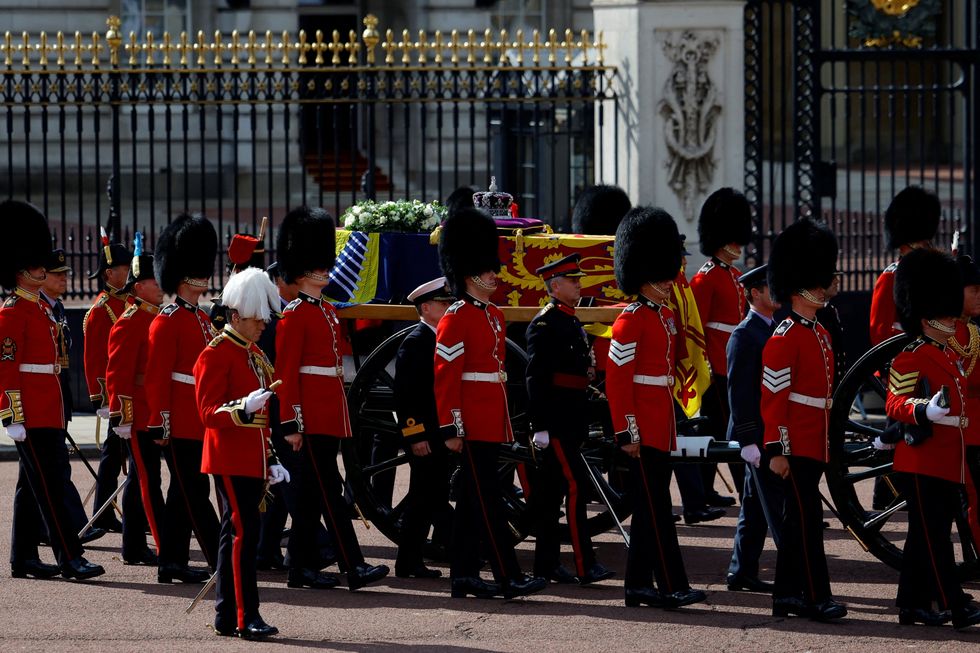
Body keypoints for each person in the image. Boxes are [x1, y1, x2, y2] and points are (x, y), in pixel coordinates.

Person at [435, 207, 547, 600]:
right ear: (469, 274)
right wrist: (452, 427)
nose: (495, 275)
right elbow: (446, 378)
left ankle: (463, 575)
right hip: (470, 424)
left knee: (471, 502)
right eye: (487, 270)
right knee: (488, 503)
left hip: (490, 421)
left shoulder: (494, 316)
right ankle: (507, 576)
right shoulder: (456, 317)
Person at [275, 206, 389, 591]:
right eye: (318, 266)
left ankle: (300, 568)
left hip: (328, 414)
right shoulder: (295, 315)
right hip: (310, 417)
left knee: (312, 496)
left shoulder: (325, 311)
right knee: (329, 494)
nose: (326, 270)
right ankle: (352, 565)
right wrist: (291, 422)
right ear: (301, 270)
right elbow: (287, 374)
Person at [605, 206, 706, 609]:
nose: (670, 280)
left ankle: (639, 586)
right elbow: (618, 383)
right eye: (663, 274)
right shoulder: (630, 320)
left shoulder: (664, 316)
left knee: (652, 511)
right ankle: (667, 586)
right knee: (656, 511)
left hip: (660, 427)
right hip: (642, 431)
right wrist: (627, 432)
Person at [0, 199, 104, 581]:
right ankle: (70, 558)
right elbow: (7, 368)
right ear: (21, 270)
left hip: (49, 408)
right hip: (31, 412)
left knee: (31, 487)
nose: (43, 269)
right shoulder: (12, 312)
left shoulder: (40, 310)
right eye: (36, 264)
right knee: (52, 489)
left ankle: (23, 556)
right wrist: (12, 415)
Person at [883, 247, 980, 630]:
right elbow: (895, 402)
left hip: (944, 460)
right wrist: (925, 409)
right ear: (926, 318)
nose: (952, 319)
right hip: (921, 461)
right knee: (936, 539)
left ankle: (912, 605)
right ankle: (955, 605)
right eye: (945, 314)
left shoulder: (946, 355)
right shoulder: (911, 355)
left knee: (923, 538)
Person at [194, 266, 289, 640]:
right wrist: (242, 408)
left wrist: (272, 458)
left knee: (238, 534)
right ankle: (244, 614)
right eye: (256, 319)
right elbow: (207, 413)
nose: (263, 325)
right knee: (243, 536)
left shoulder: (253, 354)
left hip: (252, 457)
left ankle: (226, 613)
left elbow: (262, 420)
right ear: (235, 317)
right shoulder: (216, 354)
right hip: (229, 457)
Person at [762, 218, 846, 621]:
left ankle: (786, 596)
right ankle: (814, 598)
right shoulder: (784, 337)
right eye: (815, 282)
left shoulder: (819, 334)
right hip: (794, 444)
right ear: (797, 288)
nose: (822, 288)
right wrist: (777, 449)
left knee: (797, 522)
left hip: (813, 441)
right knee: (808, 522)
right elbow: (773, 400)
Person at [525, 254, 616, 585]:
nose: (579, 285)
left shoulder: (570, 320)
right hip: (556, 421)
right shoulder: (545, 324)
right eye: (572, 281)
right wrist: (540, 426)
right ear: (555, 286)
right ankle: (583, 564)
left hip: (572, 417)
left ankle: (546, 564)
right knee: (576, 486)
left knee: (552, 494)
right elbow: (536, 378)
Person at [144, 214, 221, 580]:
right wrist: (160, 421)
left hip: (198, 416)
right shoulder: (167, 320)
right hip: (178, 419)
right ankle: (221, 557)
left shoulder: (202, 320)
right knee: (194, 491)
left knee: (181, 494)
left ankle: (171, 563)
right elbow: (157, 377)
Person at [106, 236, 168, 569]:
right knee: (147, 480)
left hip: (156, 410)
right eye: (154, 281)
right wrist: (122, 416)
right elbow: (118, 373)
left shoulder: (157, 317)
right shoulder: (129, 322)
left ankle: (133, 546)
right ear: (139, 286)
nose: (160, 286)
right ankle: (160, 546)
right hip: (140, 414)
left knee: (139, 479)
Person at [690, 187, 753, 506]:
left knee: (728, 429)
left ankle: (714, 490)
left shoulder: (735, 275)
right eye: (733, 238)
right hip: (715, 365)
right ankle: (705, 491)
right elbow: (696, 327)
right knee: (713, 430)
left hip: (733, 363)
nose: (739, 245)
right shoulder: (705, 278)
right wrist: (705, 365)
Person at [38, 250, 104, 542]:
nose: (64, 279)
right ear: (42, 277)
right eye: (57, 274)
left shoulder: (58, 308)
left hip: (59, 396)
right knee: (53, 468)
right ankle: (74, 526)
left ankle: (46, 529)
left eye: (65, 274)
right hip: (43, 400)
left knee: (45, 471)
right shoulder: (39, 307)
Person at [392, 277, 456, 579]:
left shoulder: (439, 339)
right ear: (426, 308)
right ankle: (414, 560)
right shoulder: (417, 341)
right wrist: (414, 435)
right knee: (425, 497)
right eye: (443, 304)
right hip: (423, 434)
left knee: (430, 496)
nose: (448, 308)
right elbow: (405, 396)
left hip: (438, 432)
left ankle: (410, 561)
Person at [725, 264, 783, 593]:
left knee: (756, 505)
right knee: (774, 507)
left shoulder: (773, 328)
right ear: (754, 294)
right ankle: (795, 577)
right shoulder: (744, 334)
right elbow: (740, 392)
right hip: (758, 433)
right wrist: (748, 439)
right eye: (769, 287)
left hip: (770, 429)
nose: (776, 292)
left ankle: (741, 570)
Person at [84, 230, 134, 534]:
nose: (128, 272)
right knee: (113, 455)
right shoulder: (100, 310)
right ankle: (104, 512)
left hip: (132, 391)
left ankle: (111, 512)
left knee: (118, 456)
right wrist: (101, 400)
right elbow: (94, 360)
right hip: (115, 396)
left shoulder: (130, 301)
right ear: (108, 273)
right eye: (123, 268)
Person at [869, 186, 940, 346]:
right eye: (922, 241)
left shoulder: (934, 274)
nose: (926, 245)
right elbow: (880, 334)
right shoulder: (891, 277)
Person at [949, 255, 980, 556]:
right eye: (974, 290)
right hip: (960, 433)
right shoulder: (942, 336)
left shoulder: (973, 334)